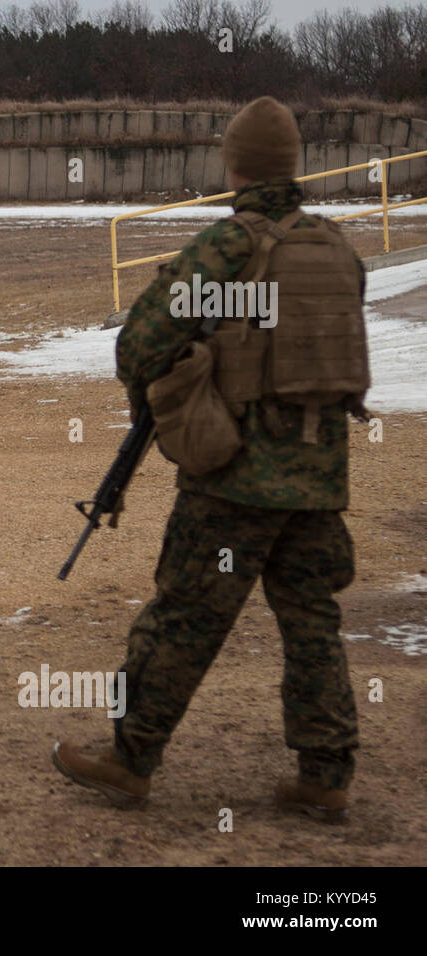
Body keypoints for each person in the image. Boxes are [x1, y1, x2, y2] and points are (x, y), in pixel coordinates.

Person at [51, 96, 369, 823]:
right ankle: (325, 774)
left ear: (235, 168)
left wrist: (170, 386)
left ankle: (129, 759)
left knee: (186, 617)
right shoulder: (335, 247)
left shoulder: (228, 248)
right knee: (313, 622)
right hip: (320, 480)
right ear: (294, 165)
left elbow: (140, 343)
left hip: (234, 480)